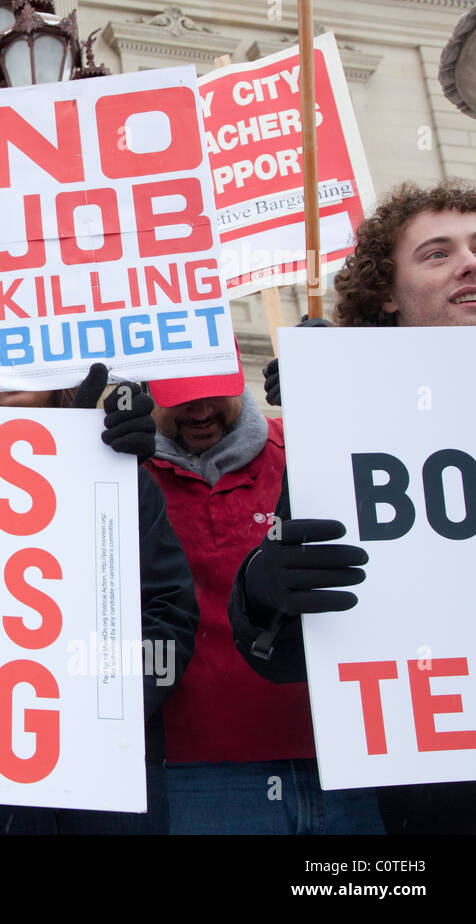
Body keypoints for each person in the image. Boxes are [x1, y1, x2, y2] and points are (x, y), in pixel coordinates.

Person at [234, 181, 476, 833]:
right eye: (437, 253)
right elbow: (289, 653)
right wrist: (265, 590)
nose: (470, 262)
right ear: (387, 295)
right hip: (438, 795)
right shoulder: (351, 424)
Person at [0, 332, 198, 833]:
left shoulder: (115, 470)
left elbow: (168, 611)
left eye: (23, 351)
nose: (11, 367)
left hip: (104, 767)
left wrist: (105, 710)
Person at [144, 342, 384, 833]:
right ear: (152, 396)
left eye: (216, 393)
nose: (201, 409)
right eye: (182, 398)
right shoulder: (127, 476)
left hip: (347, 756)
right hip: (200, 768)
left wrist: (344, 385)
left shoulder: (306, 451)